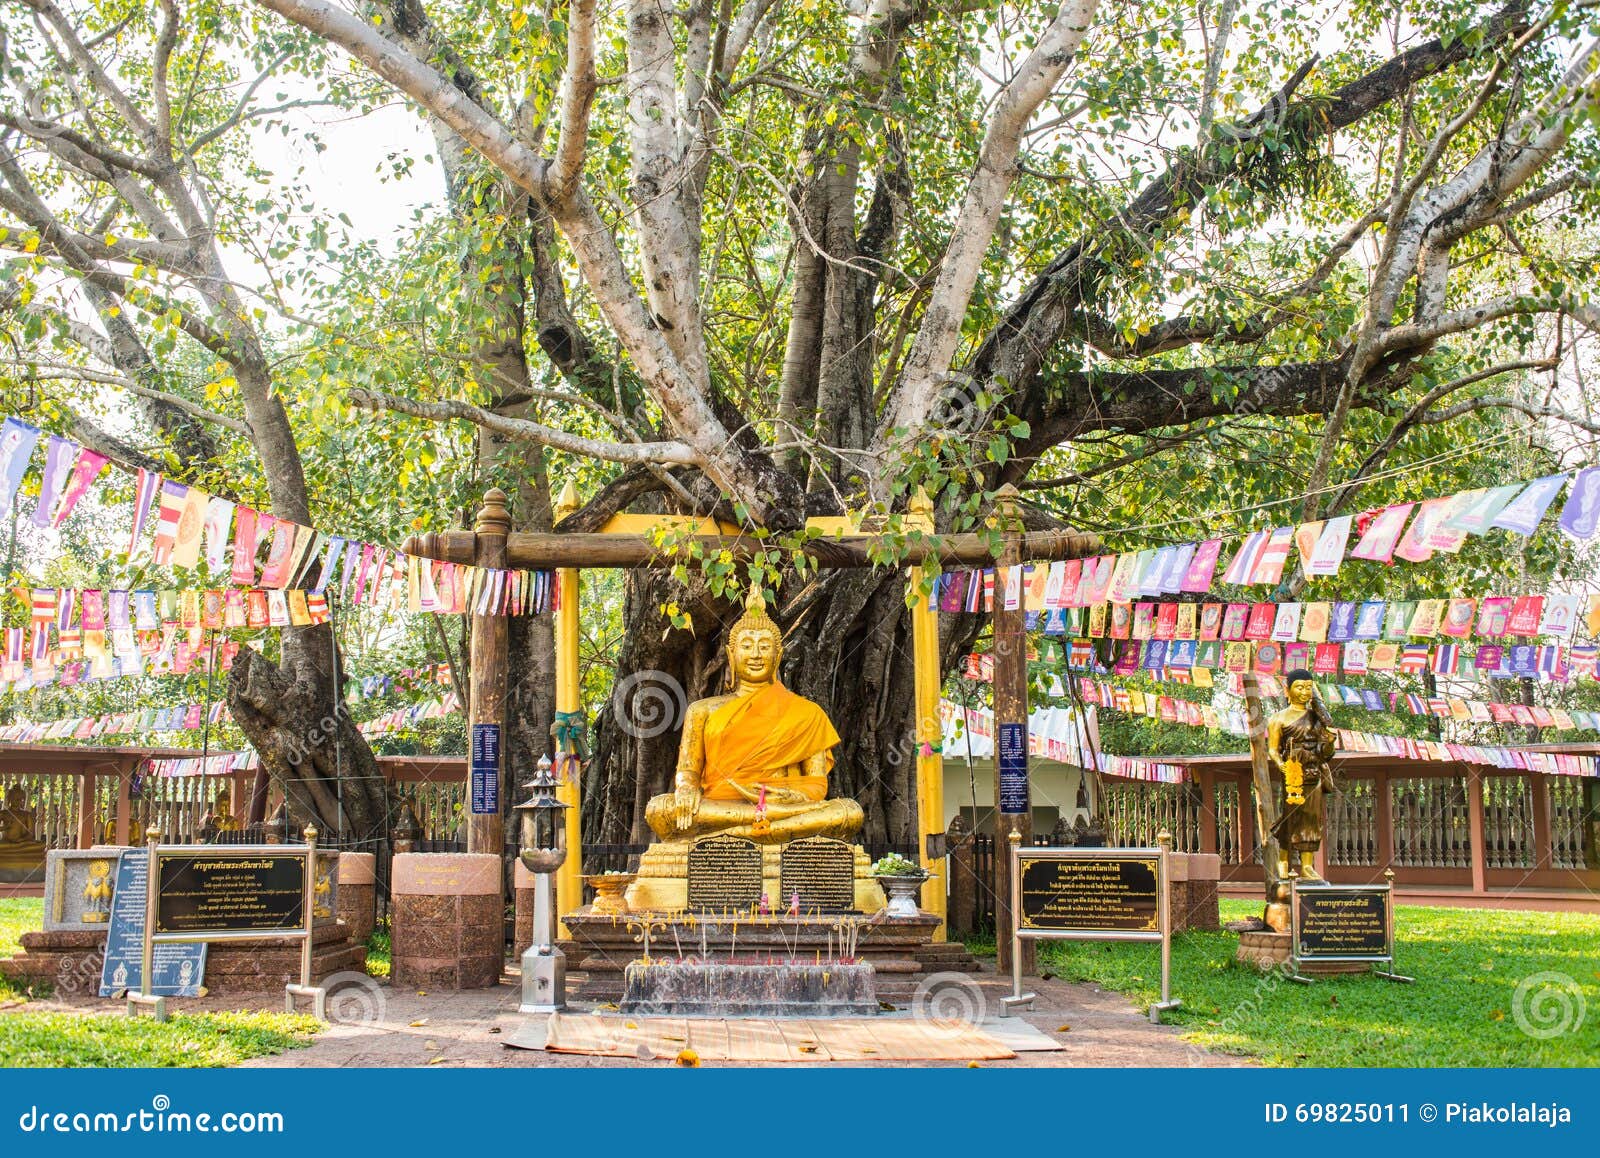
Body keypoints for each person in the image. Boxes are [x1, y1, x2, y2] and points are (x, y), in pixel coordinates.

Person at [644, 587, 862, 843]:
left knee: (848, 811)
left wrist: (796, 797)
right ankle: (761, 827)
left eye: (764, 646)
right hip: (721, 807)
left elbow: (817, 785)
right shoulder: (702, 710)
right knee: (660, 810)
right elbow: (688, 771)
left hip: (784, 808)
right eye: (747, 646)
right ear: (731, 656)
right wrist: (686, 789)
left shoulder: (807, 712)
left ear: (778, 656)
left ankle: (733, 834)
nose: (756, 654)